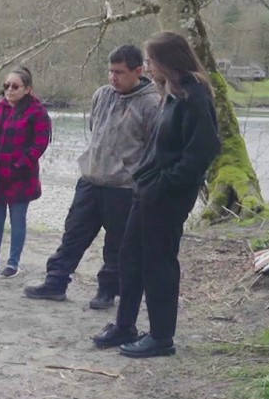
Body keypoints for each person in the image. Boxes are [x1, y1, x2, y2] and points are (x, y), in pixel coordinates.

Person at [91, 31, 221, 358]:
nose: (147, 67)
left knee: (159, 263)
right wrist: (146, 178)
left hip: (168, 195)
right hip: (147, 190)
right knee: (130, 256)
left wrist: (165, 182)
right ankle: (125, 325)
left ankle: (162, 337)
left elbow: (203, 150)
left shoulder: (195, 96)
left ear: (166, 60)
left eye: (150, 60)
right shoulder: (172, 91)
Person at [24, 46, 160, 308]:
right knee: (73, 233)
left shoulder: (152, 103)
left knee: (117, 245)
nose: (113, 77)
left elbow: (153, 147)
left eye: (119, 72)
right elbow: (94, 130)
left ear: (138, 71)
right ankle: (56, 281)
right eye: (110, 71)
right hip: (91, 179)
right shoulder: (101, 95)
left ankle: (107, 291)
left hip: (124, 186)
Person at [0, 66, 51, 278]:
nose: (9, 90)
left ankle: (13, 264)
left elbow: (40, 144)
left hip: (20, 178)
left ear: (27, 89)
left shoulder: (37, 113)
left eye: (15, 86)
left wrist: (19, 166)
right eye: (6, 85)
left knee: (18, 221)